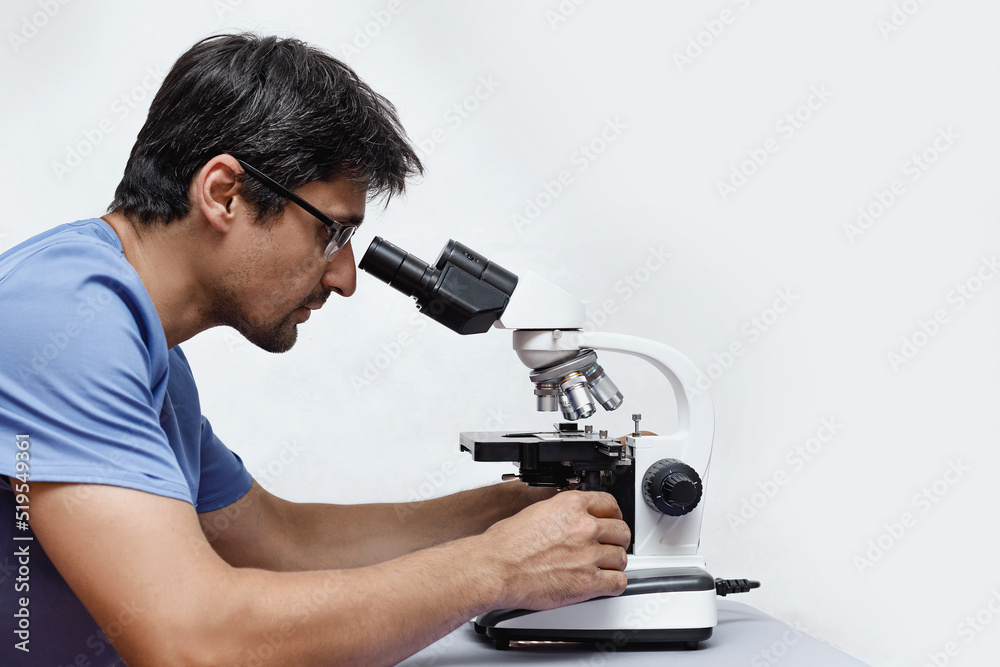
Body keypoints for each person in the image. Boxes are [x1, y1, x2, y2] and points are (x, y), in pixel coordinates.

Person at [0, 33, 630, 666]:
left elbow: (278, 541)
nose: (345, 278)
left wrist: (501, 513)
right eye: (333, 233)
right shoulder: (65, 317)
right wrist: (498, 568)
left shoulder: (150, 353)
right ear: (225, 194)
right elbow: (193, 642)